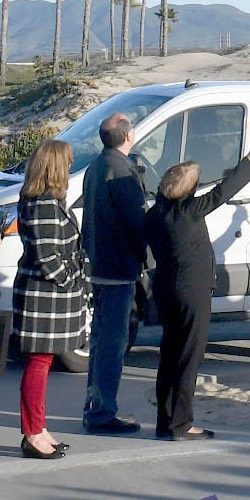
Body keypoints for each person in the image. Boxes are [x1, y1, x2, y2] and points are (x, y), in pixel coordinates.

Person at [144, 137, 250, 439]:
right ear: (189, 190)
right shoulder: (190, 210)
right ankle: (181, 423)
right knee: (189, 357)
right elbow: (223, 192)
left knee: (170, 354)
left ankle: (166, 420)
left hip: (166, 289)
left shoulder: (155, 214)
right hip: (192, 290)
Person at [11, 140, 91, 459]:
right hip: (43, 297)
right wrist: (73, 279)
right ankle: (32, 433)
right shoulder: (43, 202)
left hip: (47, 296)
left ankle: (39, 428)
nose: (71, 169)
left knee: (42, 364)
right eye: (68, 163)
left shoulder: (47, 200)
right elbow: (49, 259)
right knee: (38, 363)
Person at [78, 114, 150, 437]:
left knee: (100, 338)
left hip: (100, 265)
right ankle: (104, 410)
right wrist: (148, 259)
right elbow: (138, 222)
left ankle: (95, 406)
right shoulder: (121, 170)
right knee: (112, 341)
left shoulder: (96, 166)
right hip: (119, 268)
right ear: (127, 135)